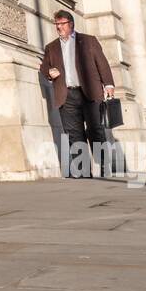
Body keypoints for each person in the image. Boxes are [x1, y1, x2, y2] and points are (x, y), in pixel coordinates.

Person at [39, 10, 116, 177]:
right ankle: (82, 171)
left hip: (89, 92)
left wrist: (108, 84)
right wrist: (49, 72)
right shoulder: (51, 47)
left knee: (95, 129)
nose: (58, 27)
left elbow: (101, 63)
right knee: (74, 133)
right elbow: (44, 68)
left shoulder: (88, 41)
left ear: (71, 24)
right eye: (57, 24)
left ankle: (104, 165)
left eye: (62, 24)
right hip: (66, 94)